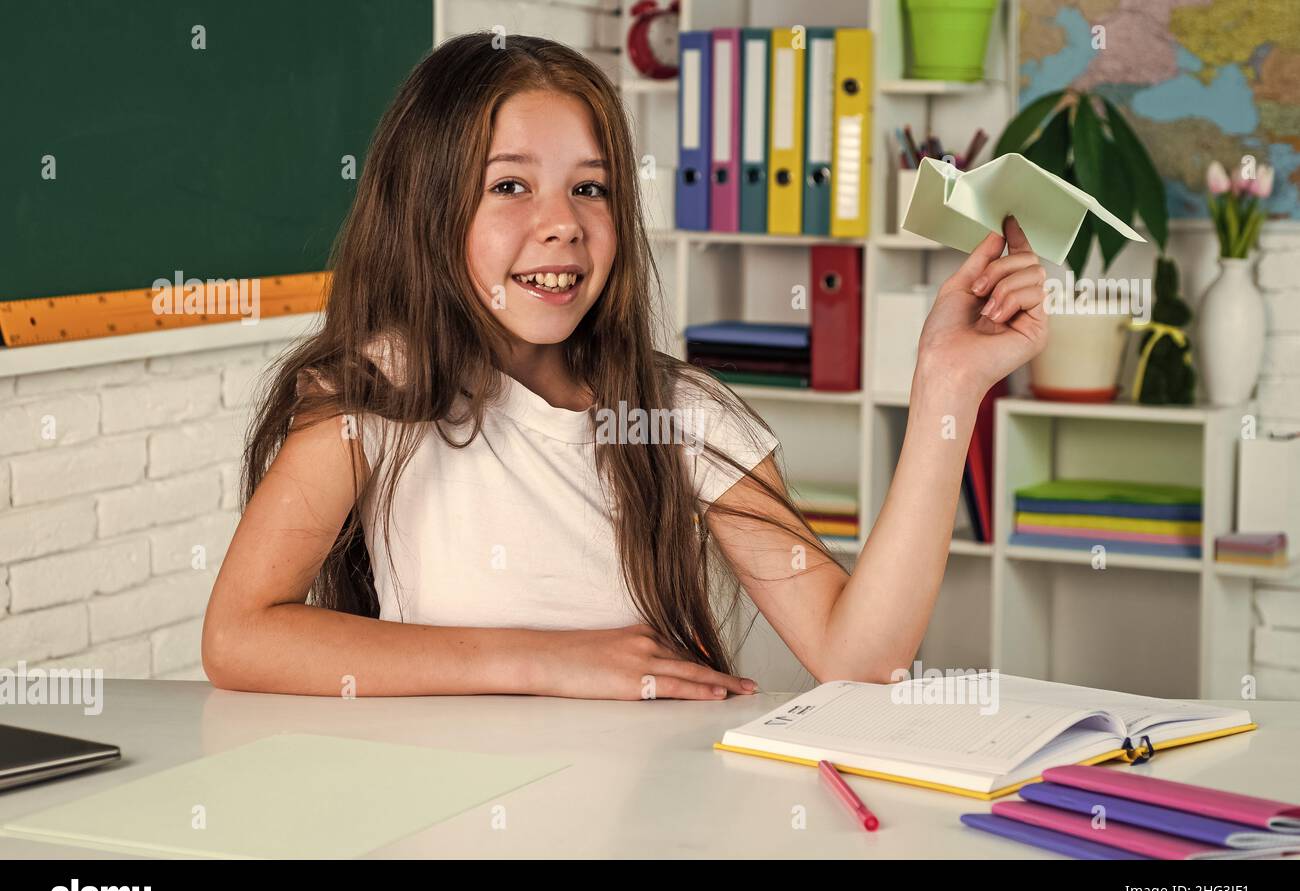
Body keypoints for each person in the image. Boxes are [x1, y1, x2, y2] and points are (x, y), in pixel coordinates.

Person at [202, 32, 1048, 700]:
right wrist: (545, 661)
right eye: (510, 186)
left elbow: (857, 659)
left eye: (591, 188)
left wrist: (948, 383)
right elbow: (239, 635)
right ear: (427, 208)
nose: (563, 223)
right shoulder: (377, 395)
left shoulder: (682, 415)